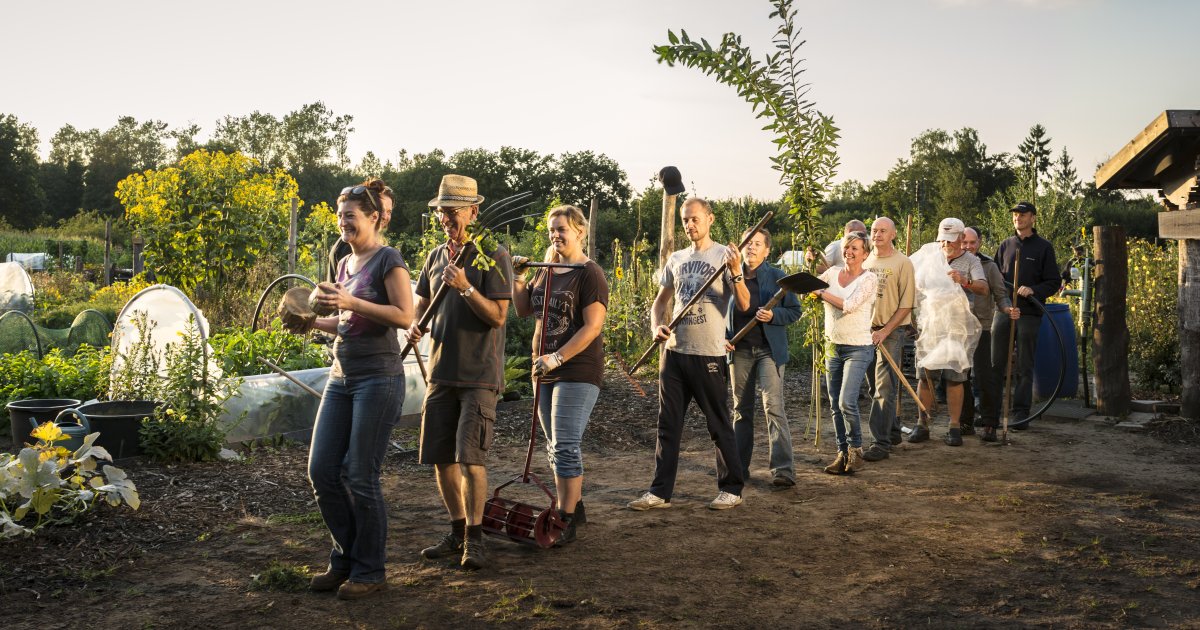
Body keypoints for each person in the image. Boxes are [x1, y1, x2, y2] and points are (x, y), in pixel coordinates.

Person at [300, 180, 415, 600]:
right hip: (341, 375)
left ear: (372, 217)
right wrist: (311, 322)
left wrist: (352, 303)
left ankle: (370, 571)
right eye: (339, 213)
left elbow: (404, 315)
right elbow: (346, 321)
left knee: (361, 476)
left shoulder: (388, 260)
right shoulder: (345, 262)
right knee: (321, 471)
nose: (342, 221)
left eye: (350, 214)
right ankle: (345, 557)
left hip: (378, 378)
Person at [409, 174, 513, 570]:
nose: (445, 218)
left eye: (453, 212)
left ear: (473, 211)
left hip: (479, 374)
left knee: (471, 458)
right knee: (440, 458)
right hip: (441, 372)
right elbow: (421, 308)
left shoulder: (493, 255)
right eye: (441, 212)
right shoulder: (436, 257)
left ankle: (476, 539)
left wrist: (468, 287)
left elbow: (499, 317)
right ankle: (456, 532)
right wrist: (417, 325)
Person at [628, 197, 750, 511]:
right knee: (667, 424)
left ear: (709, 219)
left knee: (718, 423)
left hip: (708, 353)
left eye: (695, 219)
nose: (689, 225)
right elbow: (659, 303)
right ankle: (659, 492)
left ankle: (731, 488)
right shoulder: (676, 259)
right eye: (685, 220)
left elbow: (745, 303)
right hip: (674, 353)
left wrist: (736, 271)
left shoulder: (726, 255)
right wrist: (657, 327)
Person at [511, 205, 608, 545]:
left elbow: (594, 326)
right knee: (554, 446)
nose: (556, 235)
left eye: (562, 229)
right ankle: (574, 506)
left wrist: (557, 357)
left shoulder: (588, 273)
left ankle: (565, 518)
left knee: (566, 443)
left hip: (576, 367)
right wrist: (519, 277)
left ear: (580, 231)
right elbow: (524, 309)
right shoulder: (547, 269)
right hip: (544, 368)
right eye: (552, 229)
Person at [725, 228, 803, 487]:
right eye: (748, 243)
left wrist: (774, 316)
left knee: (773, 407)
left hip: (769, 350)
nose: (752, 248)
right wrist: (724, 336)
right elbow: (719, 311)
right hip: (740, 350)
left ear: (767, 250)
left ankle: (783, 470)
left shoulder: (779, 277)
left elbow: (794, 311)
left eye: (758, 244)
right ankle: (738, 468)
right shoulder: (728, 275)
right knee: (741, 410)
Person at [909, 218, 986, 447]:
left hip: (957, 328)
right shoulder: (928, 257)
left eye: (951, 240)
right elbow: (910, 284)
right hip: (929, 327)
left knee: (955, 378)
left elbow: (983, 288)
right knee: (925, 376)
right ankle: (922, 423)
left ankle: (954, 426)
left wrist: (964, 281)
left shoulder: (971, 261)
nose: (947, 245)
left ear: (962, 238)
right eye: (943, 240)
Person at [991, 201, 1061, 429]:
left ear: (1033, 218)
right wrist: (1003, 303)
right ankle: (992, 412)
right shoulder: (1005, 245)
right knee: (996, 362)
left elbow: (1053, 281)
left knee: (1024, 364)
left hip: (1030, 313)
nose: (1017, 218)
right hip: (1004, 311)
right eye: (1015, 214)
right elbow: (994, 277)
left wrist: (1033, 290)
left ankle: (1020, 413)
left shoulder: (1044, 247)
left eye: (1023, 214)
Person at [814, 232, 878, 474]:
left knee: (846, 401)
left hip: (858, 347)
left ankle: (856, 449)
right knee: (834, 404)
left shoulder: (869, 279)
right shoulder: (830, 274)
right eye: (846, 247)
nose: (849, 252)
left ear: (865, 253)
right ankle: (841, 453)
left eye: (855, 248)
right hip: (833, 345)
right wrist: (811, 269)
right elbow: (809, 287)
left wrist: (820, 293)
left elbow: (849, 305)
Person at [860, 217, 916, 462]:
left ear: (893, 234)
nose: (877, 234)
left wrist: (885, 330)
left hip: (892, 331)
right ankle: (892, 431)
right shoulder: (864, 261)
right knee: (875, 386)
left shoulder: (903, 262)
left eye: (883, 231)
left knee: (884, 386)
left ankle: (880, 443)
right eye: (874, 230)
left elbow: (906, 305)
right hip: (866, 331)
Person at [962, 227, 1011, 442]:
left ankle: (990, 423)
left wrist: (1008, 309)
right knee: (958, 376)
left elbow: (1001, 295)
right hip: (957, 327)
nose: (968, 247)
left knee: (984, 375)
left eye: (972, 242)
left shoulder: (989, 266)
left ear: (979, 242)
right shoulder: (950, 263)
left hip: (982, 327)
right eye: (964, 242)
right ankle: (964, 421)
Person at [328, 179, 395, 283]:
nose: (385, 216)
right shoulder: (347, 251)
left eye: (389, 212)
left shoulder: (387, 256)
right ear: (373, 214)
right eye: (381, 209)